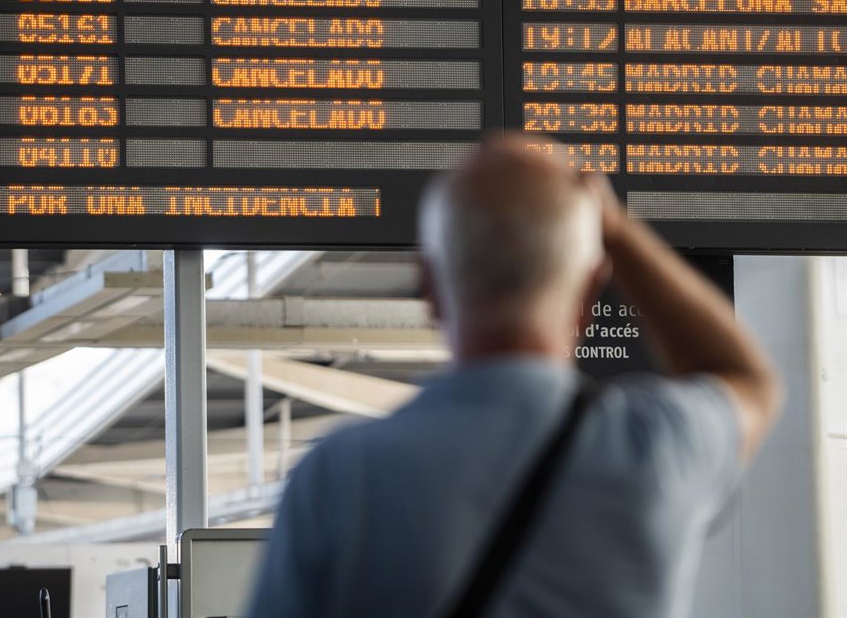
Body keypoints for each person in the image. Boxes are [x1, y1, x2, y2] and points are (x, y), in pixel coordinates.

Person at [246, 134, 783, 618]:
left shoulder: (337, 478)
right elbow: (745, 376)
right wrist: (616, 230)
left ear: (428, 285)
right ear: (592, 291)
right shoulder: (654, 448)